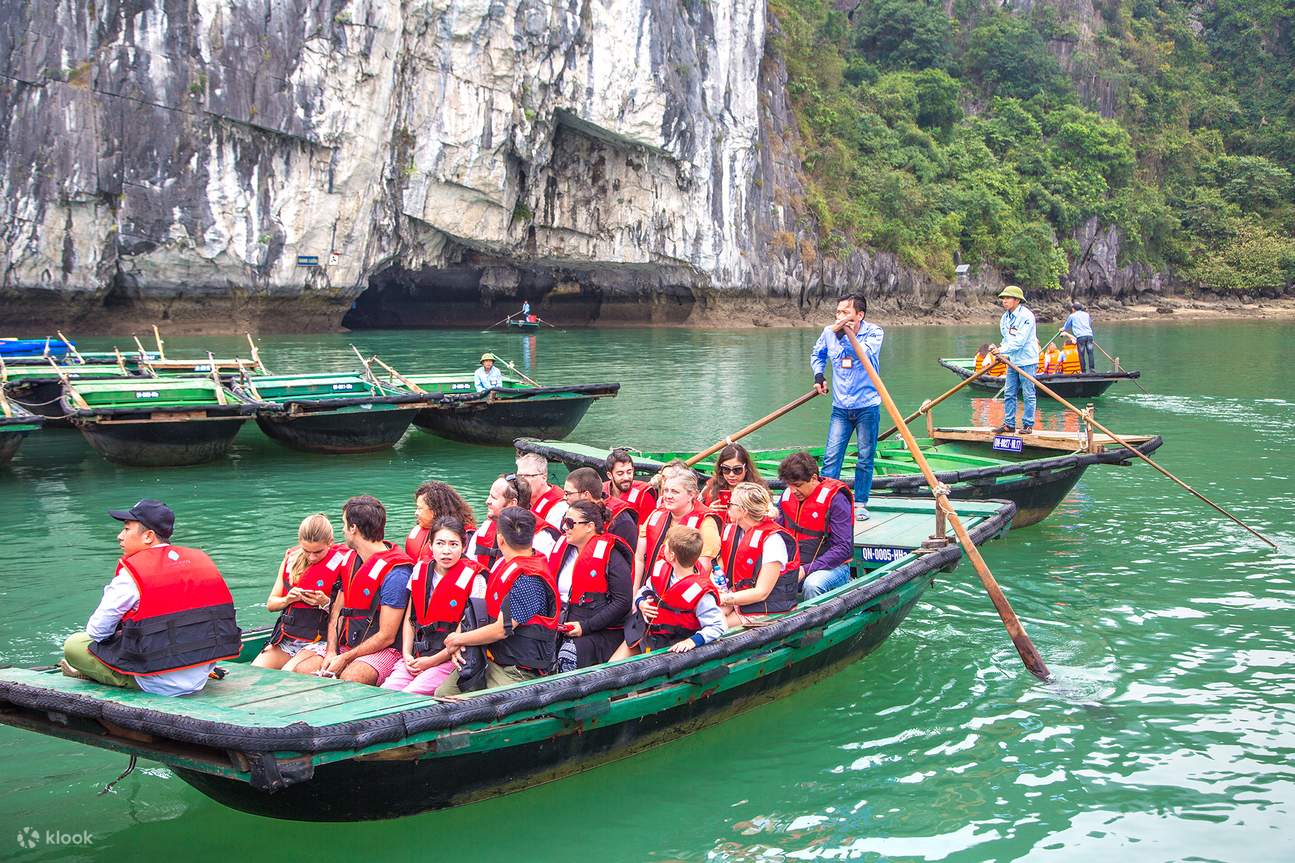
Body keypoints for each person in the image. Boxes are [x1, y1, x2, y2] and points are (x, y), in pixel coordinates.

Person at [61, 500, 241, 695]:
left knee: (75, 645)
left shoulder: (131, 575)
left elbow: (97, 632)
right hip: (199, 674)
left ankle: (111, 677)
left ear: (148, 536)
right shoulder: (202, 561)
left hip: (158, 683)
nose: (120, 536)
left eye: (126, 529)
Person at [285, 496, 414, 686]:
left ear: (353, 528)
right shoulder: (350, 560)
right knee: (303, 670)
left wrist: (346, 659)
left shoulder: (396, 574)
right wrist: (331, 651)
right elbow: (337, 612)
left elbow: (387, 636)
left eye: (344, 524)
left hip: (385, 650)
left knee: (352, 678)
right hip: (347, 645)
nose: (343, 530)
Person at [435, 507, 561, 694]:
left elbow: (502, 629)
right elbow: (479, 608)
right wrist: (460, 643)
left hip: (516, 670)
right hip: (489, 657)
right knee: (444, 694)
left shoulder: (530, 580)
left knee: (486, 713)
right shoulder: (503, 564)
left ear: (500, 539)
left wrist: (458, 639)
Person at [382, 517, 487, 695]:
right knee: (385, 692)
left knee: (410, 695)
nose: (446, 551)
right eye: (440, 543)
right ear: (430, 546)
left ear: (463, 545)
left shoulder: (475, 579)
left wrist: (431, 662)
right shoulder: (419, 570)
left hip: (449, 659)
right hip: (417, 655)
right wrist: (407, 654)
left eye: (453, 544)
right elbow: (410, 618)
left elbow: (465, 633)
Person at [812, 292, 884, 522]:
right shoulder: (828, 332)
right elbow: (818, 353)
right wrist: (819, 375)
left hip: (867, 406)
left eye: (846, 312)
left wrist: (845, 334)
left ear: (859, 315)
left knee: (865, 457)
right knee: (832, 457)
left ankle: (860, 503)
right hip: (841, 407)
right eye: (838, 312)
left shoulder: (874, 332)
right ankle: (826, 501)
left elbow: (862, 353)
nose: (840, 316)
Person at [254, 514, 353, 669]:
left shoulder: (345, 561)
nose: (312, 557)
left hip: (321, 640)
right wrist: (288, 599)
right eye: (307, 551)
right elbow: (271, 604)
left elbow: (351, 612)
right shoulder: (290, 559)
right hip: (289, 638)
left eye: (318, 552)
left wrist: (325, 603)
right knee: (256, 670)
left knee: (288, 672)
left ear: (330, 543)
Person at [612, 526, 726, 659]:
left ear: (671, 555)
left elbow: (718, 626)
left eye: (666, 546)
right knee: (610, 668)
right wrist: (641, 603)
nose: (663, 548)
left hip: (673, 645)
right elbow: (645, 590)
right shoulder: (662, 569)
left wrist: (692, 641)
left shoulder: (700, 592)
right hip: (645, 635)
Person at [548, 500, 634, 669]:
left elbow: (623, 602)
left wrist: (586, 627)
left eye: (570, 523)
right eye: (564, 521)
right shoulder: (565, 551)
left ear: (589, 526)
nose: (565, 528)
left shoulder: (612, 556)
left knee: (568, 655)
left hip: (599, 630)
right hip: (563, 624)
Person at [716, 483, 800, 626]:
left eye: (730, 503)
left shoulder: (773, 541)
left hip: (764, 609)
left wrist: (723, 598)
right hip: (737, 599)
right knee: (698, 616)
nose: (727, 505)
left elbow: (762, 592)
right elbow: (721, 569)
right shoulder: (734, 531)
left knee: (714, 625)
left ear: (743, 511)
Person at [775, 452, 855, 600]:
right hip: (795, 565)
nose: (793, 491)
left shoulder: (836, 500)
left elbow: (844, 549)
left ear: (813, 478)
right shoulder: (787, 496)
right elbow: (774, 533)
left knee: (813, 585)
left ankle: (818, 622)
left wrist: (806, 570)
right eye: (789, 485)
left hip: (832, 568)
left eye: (798, 486)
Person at [636, 465, 721, 589]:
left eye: (675, 491)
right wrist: (636, 597)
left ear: (692, 494)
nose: (668, 496)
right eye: (666, 490)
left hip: (682, 594)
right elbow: (639, 558)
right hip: (649, 589)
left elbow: (703, 569)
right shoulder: (656, 514)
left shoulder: (706, 523)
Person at [468, 473, 560, 569]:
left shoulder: (541, 539)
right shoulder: (485, 528)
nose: (487, 501)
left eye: (494, 497)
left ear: (512, 503)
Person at [987, 285, 1039, 435]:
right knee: (1009, 392)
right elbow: (1007, 339)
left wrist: (1002, 350)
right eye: (1003, 298)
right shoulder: (1005, 318)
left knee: (1028, 393)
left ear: (1017, 300)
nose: (1004, 301)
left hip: (1027, 361)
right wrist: (999, 350)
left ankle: (1028, 425)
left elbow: (1020, 341)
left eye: (1008, 298)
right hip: (1013, 361)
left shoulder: (1026, 316)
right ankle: (1009, 423)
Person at [564, 466, 638, 550]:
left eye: (568, 493)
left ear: (586, 495)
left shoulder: (622, 522)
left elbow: (626, 558)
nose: (564, 497)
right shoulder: (569, 515)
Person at [406, 481, 476, 561]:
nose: (416, 513)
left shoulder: (466, 536)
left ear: (435, 510)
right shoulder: (424, 529)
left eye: (419, 508)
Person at [701, 443, 768, 523]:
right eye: (726, 469)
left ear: (746, 468)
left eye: (737, 470)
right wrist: (708, 512)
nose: (731, 475)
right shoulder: (711, 487)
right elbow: (697, 514)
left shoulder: (758, 489)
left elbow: (768, 511)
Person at [604, 448, 658, 525]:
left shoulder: (643, 495)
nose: (626, 477)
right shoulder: (601, 492)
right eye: (620, 473)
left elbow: (648, 529)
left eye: (629, 472)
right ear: (610, 475)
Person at [516, 452, 568, 530]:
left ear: (544, 477)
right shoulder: (519, 498)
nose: (522, 481)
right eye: (519, 476)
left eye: (528, 476)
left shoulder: (559, 507)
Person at [1062, 302, 1095, 373]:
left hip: (1080, 337)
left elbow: (1066, 326)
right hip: (1089, 335)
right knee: (1090, 353)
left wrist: (1062, 329)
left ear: (1073, 309)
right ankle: (1092, 370)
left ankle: (1083, 371)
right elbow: (1089, 324)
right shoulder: (1086, 314)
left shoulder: (1072, 316)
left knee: (1081, 354)